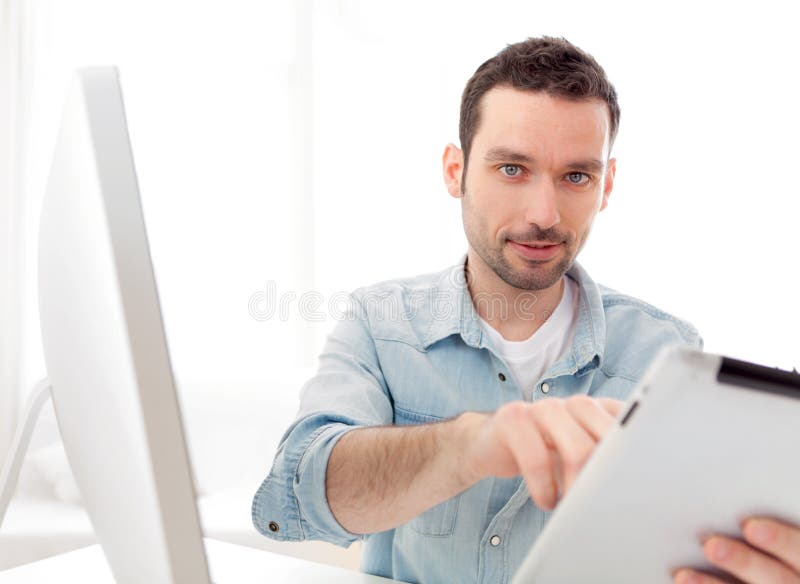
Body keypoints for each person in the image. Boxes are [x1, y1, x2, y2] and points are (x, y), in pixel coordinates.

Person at [252, 36, 800, 584]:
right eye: (512, 169)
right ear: (455, 171)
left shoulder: (665, 353)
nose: (544, 214)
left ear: (606, 185)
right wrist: (468, 446)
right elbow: (293, 500)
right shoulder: (380, 323)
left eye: (576, 177)